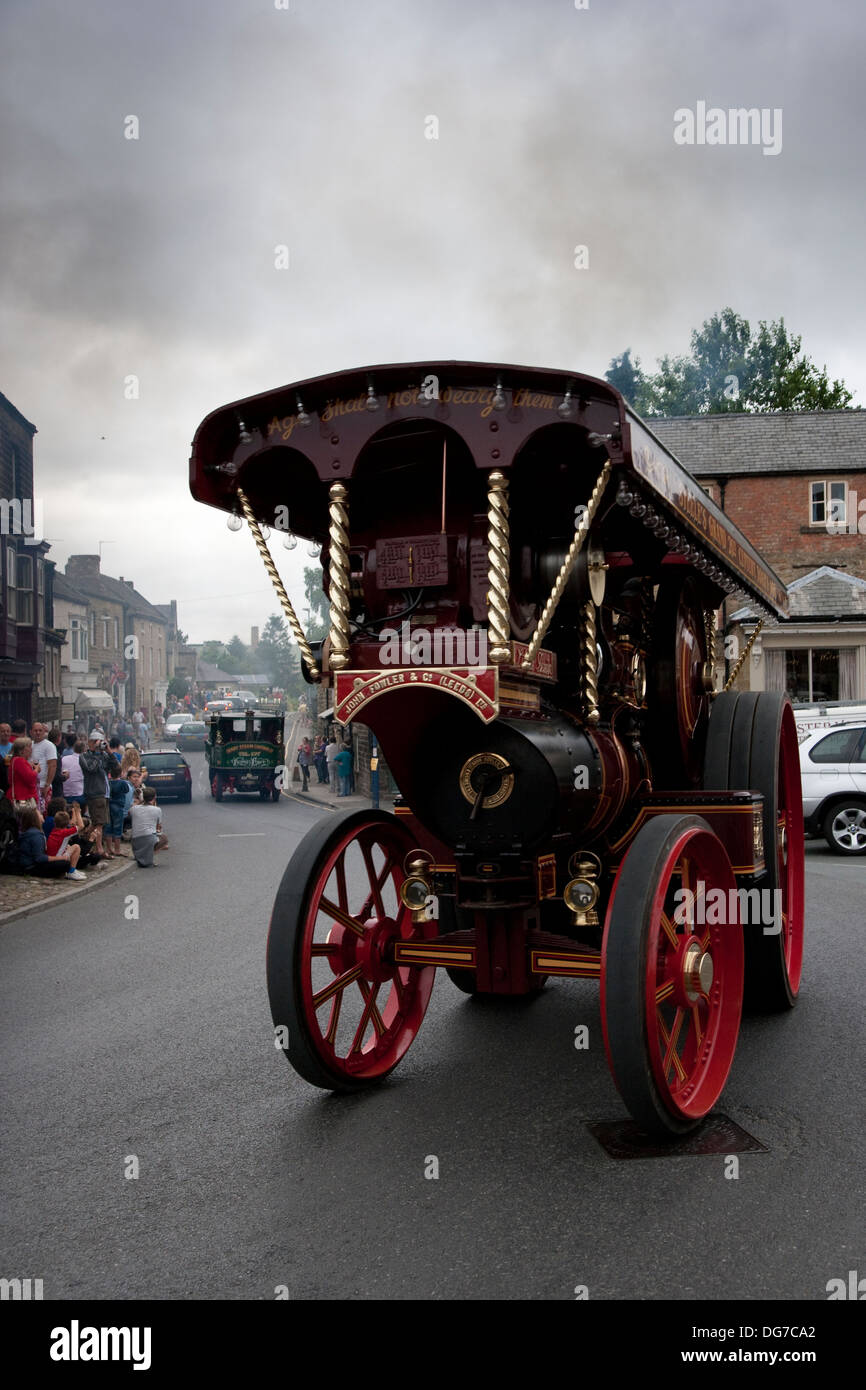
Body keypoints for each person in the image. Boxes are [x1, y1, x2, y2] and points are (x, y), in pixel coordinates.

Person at [17, 806, 85, 880]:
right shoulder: (36, 834)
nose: (42, 815)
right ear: (35, 819)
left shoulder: (36, 832)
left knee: (68, 849)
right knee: (66, 863)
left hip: (31, 865)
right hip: (31, 867)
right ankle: (71, 872)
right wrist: (60, 857)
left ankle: (71, 871)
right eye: (40, 814)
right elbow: (39, 858)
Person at [79, 734, 114, 855]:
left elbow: (115, 768)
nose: (97, 744)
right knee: (99, 823)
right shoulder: (84, 756)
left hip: (104, 792)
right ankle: (99, 849)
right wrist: (97, 753)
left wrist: (109, 752)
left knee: (98, 822)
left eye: (99, 741)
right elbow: (91, 769)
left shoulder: (103, 755)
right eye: (94, 741)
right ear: (89, 742)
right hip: (94, 793)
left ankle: (85, 843)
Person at [131, 786, 168, 868]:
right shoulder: (157, 809)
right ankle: (149, 856)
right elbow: (158, 826)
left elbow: (130, 813)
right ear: (155, 797)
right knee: (164, 838)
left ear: (143, 797)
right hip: (148, 838)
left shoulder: (134, 809)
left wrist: (140, 801)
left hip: (135, 839)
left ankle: (142, 856)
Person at [29, 721, 58, 812]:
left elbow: (52, 765)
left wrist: (47, 785)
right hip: (32, 786)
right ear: (31, 732)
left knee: (44, 812)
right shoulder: (29, 745)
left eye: (40, 730)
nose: (38, 732)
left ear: (44, 732)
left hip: (43, 786)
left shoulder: (49, 745)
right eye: (35, 730)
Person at [7, 736, 39, 814]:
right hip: (22, 797)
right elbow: (30, 778)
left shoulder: (16, 760)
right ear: (22, 750)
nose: (31, 749)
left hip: (20, 796)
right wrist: (36, 770)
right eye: (29, 747)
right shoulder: (20, 761)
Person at [106, 761, 131, 857]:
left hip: (109, 806)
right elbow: (126, 790)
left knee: (108, 827)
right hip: (119, 806)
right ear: (120, 773)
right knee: (118, 828)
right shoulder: (122, 783)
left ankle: (108, 848)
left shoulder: (108, 783)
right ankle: (117, 849)